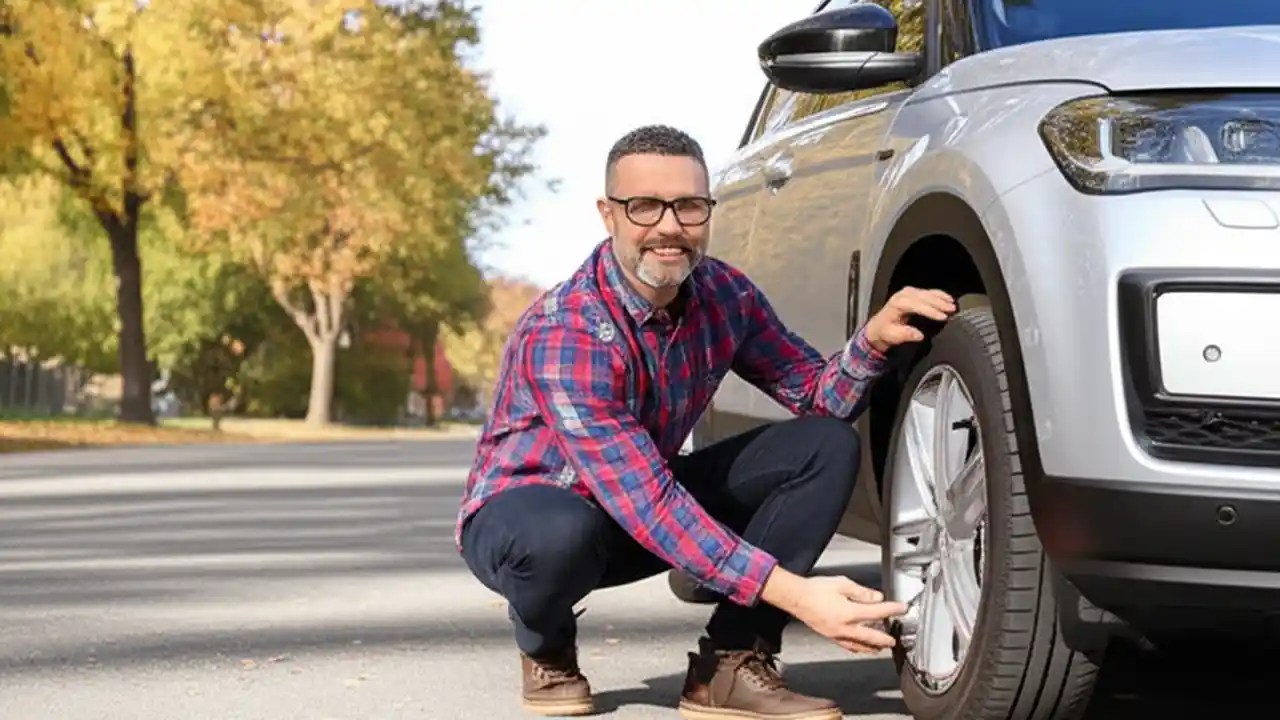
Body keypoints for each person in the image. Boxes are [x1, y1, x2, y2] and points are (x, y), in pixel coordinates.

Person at [455, 124, 957, 720]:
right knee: (558, 535)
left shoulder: (724, 295)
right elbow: (646, 501)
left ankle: (731, 662)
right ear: (608, 214)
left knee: (823, 445)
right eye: (644, 206)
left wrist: (871, 341)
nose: (670, 226)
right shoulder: (566, 330)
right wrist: (799, 596)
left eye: (689, 206)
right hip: (531, 519)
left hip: (636, 512)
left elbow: (817, 399)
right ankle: (546, 645)